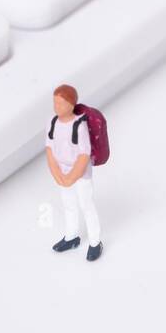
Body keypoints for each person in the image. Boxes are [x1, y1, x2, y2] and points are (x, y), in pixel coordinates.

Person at [46, 84, 103, 261]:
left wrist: (71, 177)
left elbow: (84, 154)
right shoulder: (52, 122)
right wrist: (58, 175)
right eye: (55, 103)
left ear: (71, 104)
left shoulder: (79, 126)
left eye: (61, 104)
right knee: (68, 205)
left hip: (80, 175)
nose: (57, 107)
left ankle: (95, 242)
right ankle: (72, 237)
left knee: (86, 205)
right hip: (63, 174)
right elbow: (50, 150)